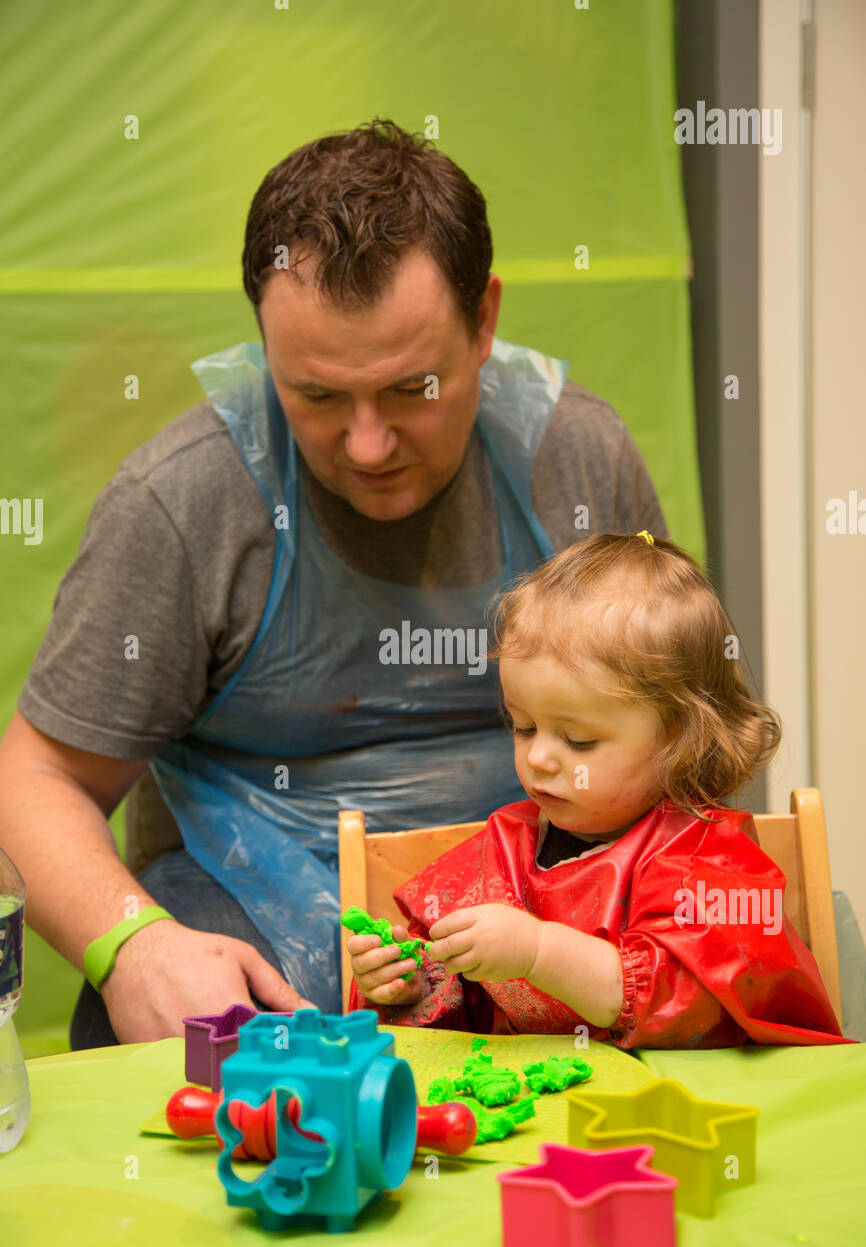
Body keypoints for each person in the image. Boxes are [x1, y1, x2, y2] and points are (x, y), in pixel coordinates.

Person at [0, 119, 668, 1049]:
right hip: (256, 927)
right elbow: (34, 775)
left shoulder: (577, 463)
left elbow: (687, 732)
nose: (367, 444)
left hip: (553, 908)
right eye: (315, 395)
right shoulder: (186, 498)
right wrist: (132, 943)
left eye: (410, 389)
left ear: (484, 323)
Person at [348, 532, 852, 1047]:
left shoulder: (709, 861)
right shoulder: (500, 852)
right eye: (523, 727)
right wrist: (408, 987)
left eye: (578, 739)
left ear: (679, 734)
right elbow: (461, 1012)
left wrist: (539, 951)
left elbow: (689, 1005)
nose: (539, 757)